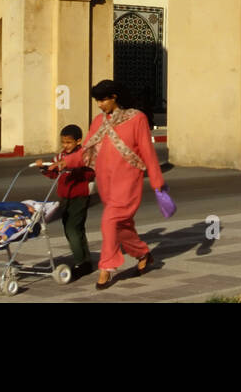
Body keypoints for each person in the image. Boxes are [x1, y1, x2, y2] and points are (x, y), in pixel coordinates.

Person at [57, 79, 165, 290]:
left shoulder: (137, 118)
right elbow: (86, 151)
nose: (99, 104)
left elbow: (148, 153)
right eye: (97, 100)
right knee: (121, 227)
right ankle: (143, 253)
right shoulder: (98, 121)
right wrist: (64, 162)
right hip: (106, 184)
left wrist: (157, 183)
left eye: (103, 100)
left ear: (115, 97)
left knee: (109, 221)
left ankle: (106, 268)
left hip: (128, 182)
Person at [34, 124, 96, 280]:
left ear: (78, 141)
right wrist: (43, 168)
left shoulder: (83, 156)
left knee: (72, 228)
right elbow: (53, 173)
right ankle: (85, 259)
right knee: (74, 228)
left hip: (79, 197)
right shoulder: (59, 157)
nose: (65, 146)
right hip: (64, 198)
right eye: (63, 142)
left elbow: (90, 173)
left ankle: (80, 262)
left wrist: (75, 169)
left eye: (69, 142)